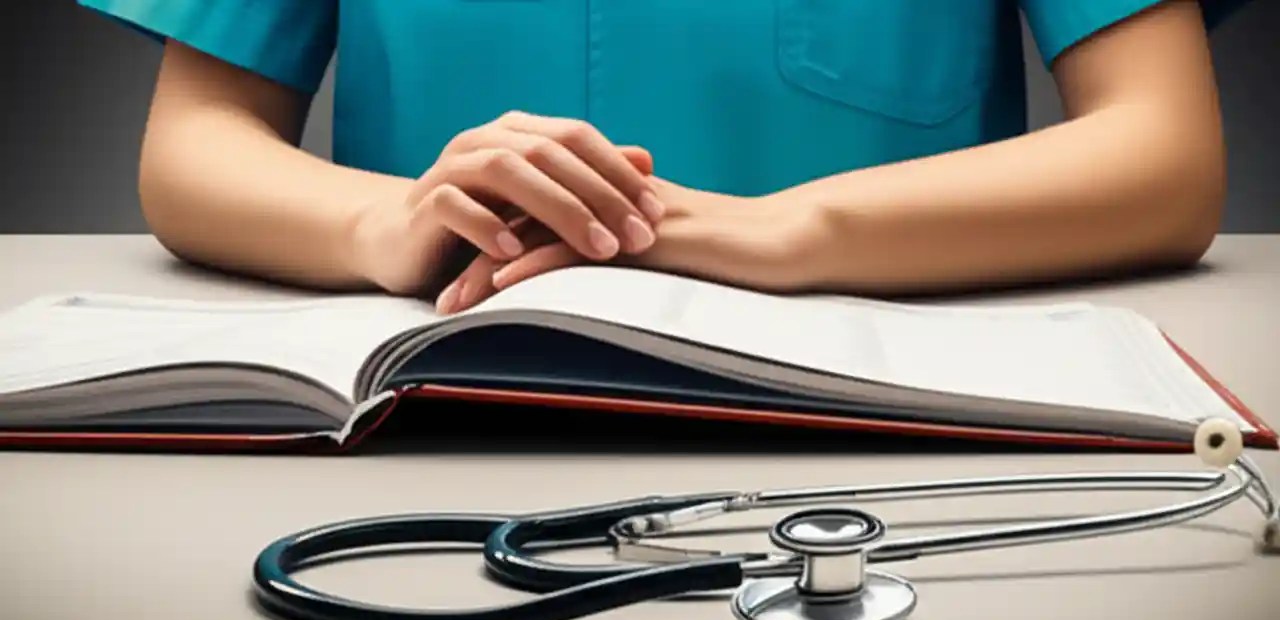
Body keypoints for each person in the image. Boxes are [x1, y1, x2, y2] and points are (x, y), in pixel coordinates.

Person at [81, 0, 1252, 314]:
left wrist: (779, 234)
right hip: (437, 410)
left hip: (887, 441)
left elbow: (1162, 155)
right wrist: (383, 225)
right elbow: (194, 145)